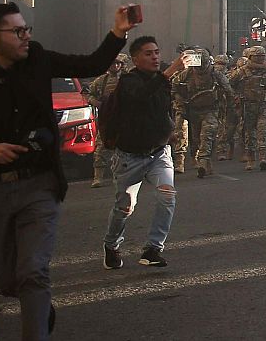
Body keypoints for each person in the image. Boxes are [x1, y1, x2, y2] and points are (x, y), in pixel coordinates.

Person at [0, 1, 140, 341]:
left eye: (27, 29)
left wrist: (118, 31)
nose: (26, 36)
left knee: (34, 273)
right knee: (6, 281)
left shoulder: (38, 59)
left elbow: (90, 63)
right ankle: (39, 306)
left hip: (38, 184)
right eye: (17, 31)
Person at [102, 36, 187, 270]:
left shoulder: (161, 83)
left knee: (167, 196)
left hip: (159, 153)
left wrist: (169, 132)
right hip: (130, 156)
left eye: (157, 52)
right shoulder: (129, 82)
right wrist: (169, 71)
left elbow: (161, 110)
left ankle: (153, 249)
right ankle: (111, 245)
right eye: (148, 53)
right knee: (124, 207)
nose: (155, 57)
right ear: (135, 59)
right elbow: (140, 97)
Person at [226, 47, 266, 171]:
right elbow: (228, 85)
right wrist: (236, 97)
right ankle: (251, 159)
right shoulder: (241, 72)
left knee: (264, 131)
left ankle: (263, 157)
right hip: (247, 106)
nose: (260, 59)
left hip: (264, 105)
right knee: (249, 134)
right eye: (257, 56)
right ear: (250, 57)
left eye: (262, 56)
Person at [173, 50, 230, 178]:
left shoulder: (215, 73)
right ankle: (202, 160)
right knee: (196, 138)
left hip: (210, 109)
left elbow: (228, 90)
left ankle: (203, 162)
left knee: (207, 135)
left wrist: (229, 108)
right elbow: (175, 86)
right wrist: (180, 100)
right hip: (193, 110)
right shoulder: (187, 73)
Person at [84, 56, 128, 187]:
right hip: (107, 118)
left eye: (117, 63)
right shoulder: (101, 81)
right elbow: (88, 93)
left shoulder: (127, 79)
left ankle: (124, 175)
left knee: (126, 150)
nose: (115, 66)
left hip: (125, 118)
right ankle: (98, 177)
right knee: (100, 148)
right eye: (112, 63)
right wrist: (96, 103)